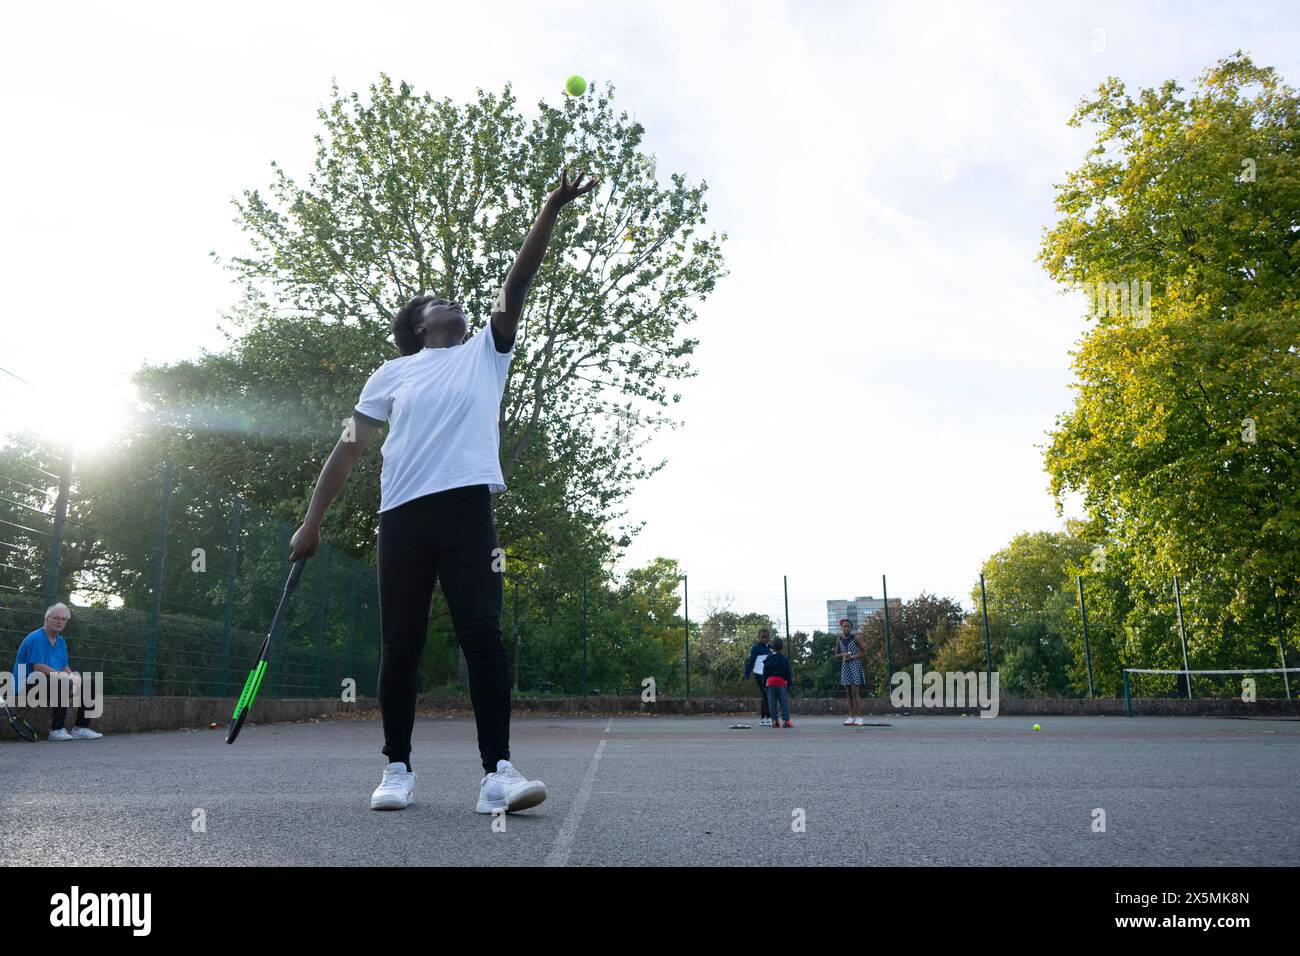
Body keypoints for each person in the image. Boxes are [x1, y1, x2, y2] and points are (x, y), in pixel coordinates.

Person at [288, 165, 598, 813]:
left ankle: (498, 775)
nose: (451, 302)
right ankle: (397, 768)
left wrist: (550, 207)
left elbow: (518, 282)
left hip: (468, 513)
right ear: (419, 324)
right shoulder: (391, 374)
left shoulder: (487, 350)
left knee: (482, 634)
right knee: (401, 641)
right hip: (400, 517)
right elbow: (347, 447)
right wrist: (311, 522)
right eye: (436, 301)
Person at [12, 603, 102, 740]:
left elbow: (64, 666)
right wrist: (67, 679)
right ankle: (56, 730)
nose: (59, 621)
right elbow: (38, 667)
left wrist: (74, 679)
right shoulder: (37, 638)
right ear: (46, 619)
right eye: (55, 618)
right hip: (26, 685)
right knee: (64, 682)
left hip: (49, 682)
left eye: (63, 619)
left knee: (89, 682)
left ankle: (80, 728)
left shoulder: (60, 641)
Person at [836, 618, 865, 726]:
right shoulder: (839, 640)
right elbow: (836, 654)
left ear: (851, 628)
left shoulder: (855, 639)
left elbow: (864, 652)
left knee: (855, 691)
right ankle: (851, 716)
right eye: (844, 626)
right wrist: (843, 655)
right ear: (842, 628)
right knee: (848, 692)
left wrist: (853, 656)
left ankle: (859, 716)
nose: (846, 628)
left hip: (854, 666)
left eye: (848, 626)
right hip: (845, 667)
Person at [743, 629, 773, 725]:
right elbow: (751, 662)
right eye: (762, 637)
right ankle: (768, 717)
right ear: (759, 637)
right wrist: (746, 675)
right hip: (759, 674)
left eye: (766, 637)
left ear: (768, 637)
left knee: (765, 695)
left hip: (768, 675)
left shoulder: (770, 648)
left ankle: (763, 718)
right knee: (765, 694)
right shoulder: (755, 648)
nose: (764, 639)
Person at [764, 638, 793, 729]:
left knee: (772, 703)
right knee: (784, 702)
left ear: (772, 647)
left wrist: (764, 683)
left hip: (770, 682)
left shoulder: (768, 658)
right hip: (780, 682)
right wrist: (789, 684)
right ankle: (786, 721)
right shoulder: (784, 659)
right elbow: (788, 672)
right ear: (782, 647)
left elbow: (765, 673)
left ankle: (774, 721)